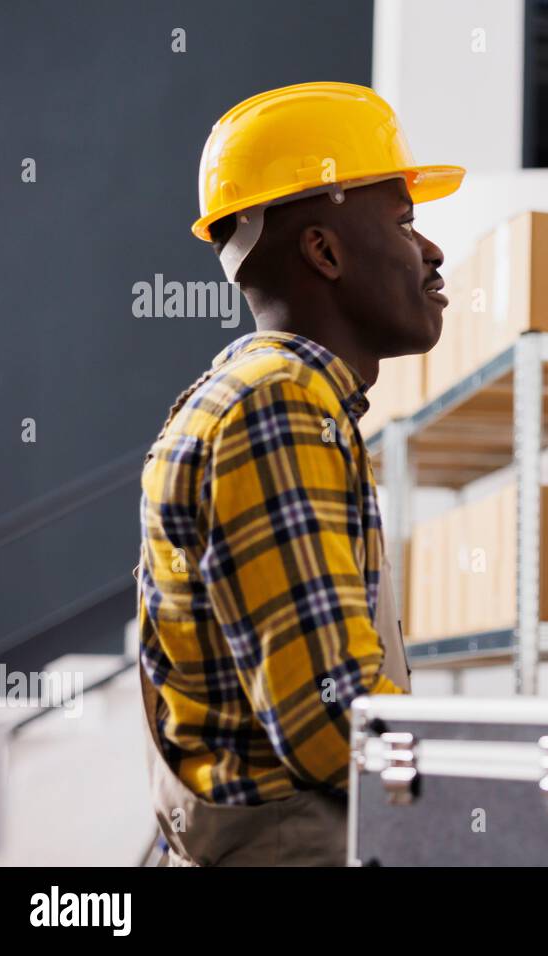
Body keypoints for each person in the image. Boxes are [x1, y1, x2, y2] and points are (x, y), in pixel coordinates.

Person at [135, 82, 463, 865]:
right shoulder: (278, 408)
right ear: (324, 251)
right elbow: (332, 724)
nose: (434, 251)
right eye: (406, 222)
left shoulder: (262, 402)